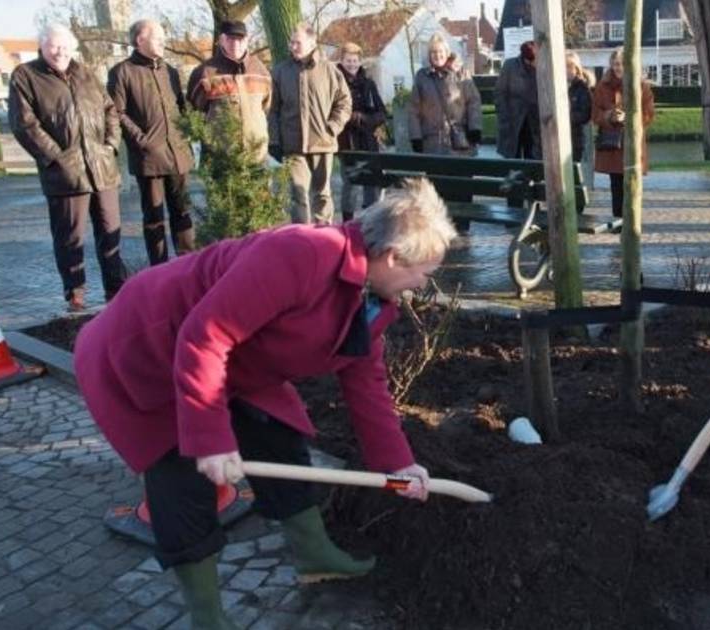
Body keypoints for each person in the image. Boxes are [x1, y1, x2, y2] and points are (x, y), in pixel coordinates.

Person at [74, 178, 456, 629]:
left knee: (278, 436)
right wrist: (211, 437)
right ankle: (208, 617)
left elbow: (365, 380)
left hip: (233, 365)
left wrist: (397, 465)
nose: (421, 285)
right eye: (424, 273)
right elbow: (205, 336)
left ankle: (314, 554)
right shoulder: (302, 254)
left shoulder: (372, 295)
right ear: (392, 257)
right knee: (182, 482)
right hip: (144, 354)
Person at [9, 24, 128, 311]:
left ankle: (118, 290)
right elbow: (25, 125)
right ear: (42, 46)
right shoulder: (26, 76)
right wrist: (58, 158)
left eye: (64, 45)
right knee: (69, 238)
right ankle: (75, 295)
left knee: (111, 230)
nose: (60, 51)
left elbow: (110, 110)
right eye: (53, 45)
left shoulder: (85, 73)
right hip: (64, 174)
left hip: (102, 169)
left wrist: (111, 145)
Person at [108, 19, 197, 266]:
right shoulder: (122, 72)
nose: (163, 42)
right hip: (149, 158)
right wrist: (141, 139)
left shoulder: (170, 71)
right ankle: (159, 270)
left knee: (182, 211)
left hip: (177, 154)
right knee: (154, 217)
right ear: (140, 40)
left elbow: (180, 106)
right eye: (157, 37)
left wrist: (187, 132)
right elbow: (117, 112)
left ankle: (187, 264)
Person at [269, 23, 352, 225]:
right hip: (293, 145)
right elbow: (273, 110)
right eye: (292, 42)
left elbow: (344, 103)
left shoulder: (330, 71)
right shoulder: (280, 72)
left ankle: (324, 238)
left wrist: (332, 127)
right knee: (297, 194)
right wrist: (275, 141)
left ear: (312, 42)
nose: (293, 46)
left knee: (322, 194)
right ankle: (302, 239)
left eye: (298, 42)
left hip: (322, 143)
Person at [187, 20, 272, 161]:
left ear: (247, 40)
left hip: (256, 155)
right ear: (221, 40)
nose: (235, 44)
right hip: (220, 158)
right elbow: (195, 114)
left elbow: (267, 107)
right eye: (230, 39)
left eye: (240, 39)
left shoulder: (260, 70)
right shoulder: (205, 73)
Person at [593, 48, 655, 226]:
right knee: (616, 184)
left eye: (621, 64)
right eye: (615, 64)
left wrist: (629, 117)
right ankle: (618, 220)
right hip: (613, 144)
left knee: (632, 184)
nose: (618, 68)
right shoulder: (602, 87)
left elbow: (649, 114)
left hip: (632, 142)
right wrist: (610, 116)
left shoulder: (641, 86)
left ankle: (631, 221)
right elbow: (595, 114)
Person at [335, 42, 388, 223]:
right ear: (342, 61)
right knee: (350, 184)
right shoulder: (335, 82)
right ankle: (348, 221)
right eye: (348, 60)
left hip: (367, 138)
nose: (352, 64)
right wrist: (349, 117)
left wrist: (365, 119)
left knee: (372, 183)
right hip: (346, 141)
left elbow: (382, 113)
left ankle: (370, 218)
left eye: (355, 61)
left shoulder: (368, 83)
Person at [408, 33, 483, 158]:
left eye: (440, 51)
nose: (437, 55)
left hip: (459, 141)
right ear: (429, 55)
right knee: (435, 177)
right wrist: (416, 137)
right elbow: (413, 109)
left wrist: (474, 128)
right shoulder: (421, 77)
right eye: (433, 52)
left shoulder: (460, 72)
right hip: (432, 143)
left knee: (461, 176)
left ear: (447, 52)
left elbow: (473, 101)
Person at [495, 40, 541, 159]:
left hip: (534, 120)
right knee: (512, 157)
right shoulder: (510, 66)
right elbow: (500, 93)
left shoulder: (541, 67)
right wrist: (504, 117)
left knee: (533, 157)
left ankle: (531, 177)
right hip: (513, 119)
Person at [566, 51, 595, 163]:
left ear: (576, 68)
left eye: (569, 66)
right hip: (561, 138)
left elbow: (585, 115)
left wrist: (565, 117)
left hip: (577, 138)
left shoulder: (583, 87)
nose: (565, 70)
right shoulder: (559, 86)